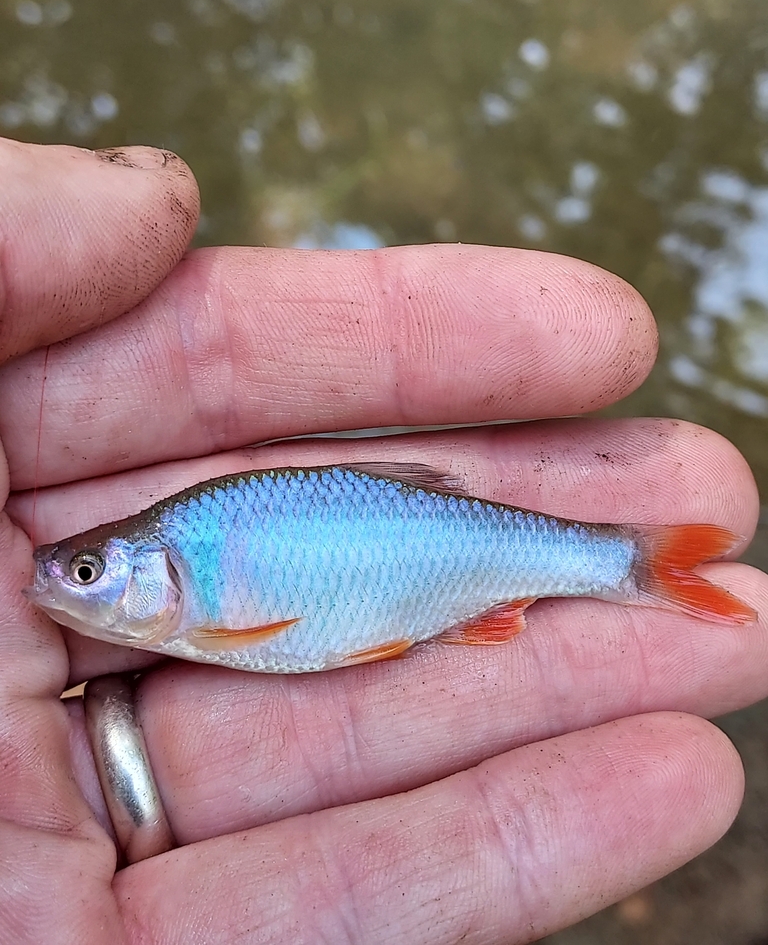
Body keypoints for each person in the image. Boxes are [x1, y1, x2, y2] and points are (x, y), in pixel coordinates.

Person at [0, 136, 764, 945]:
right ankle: (632, 565)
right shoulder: (190, 557)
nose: (64, 584)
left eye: (84, 571)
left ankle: (630, 565)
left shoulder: (194, 564)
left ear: (151, 570)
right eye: (83, 571)